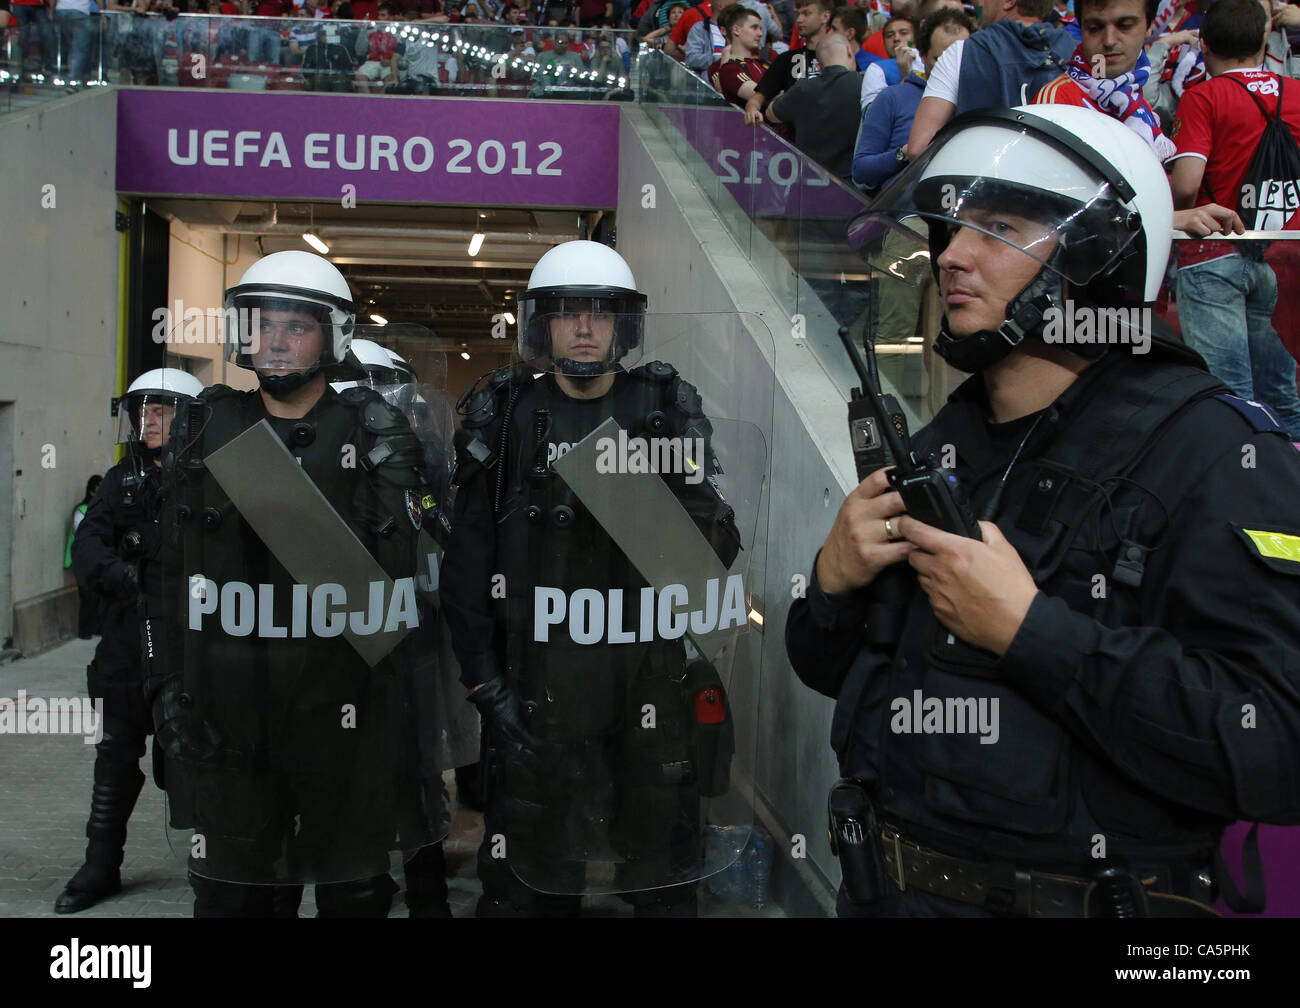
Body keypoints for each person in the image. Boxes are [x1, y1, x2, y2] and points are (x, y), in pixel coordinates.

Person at [787, 103, 1300, 917]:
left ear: (1100, 259)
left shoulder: (1215, 454)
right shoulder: (943, 442)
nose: (953, 255)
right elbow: (830, 670)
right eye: (953, 228)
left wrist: (1033, 633)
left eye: (998, 228)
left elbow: (1275, 747)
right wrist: (832, 584)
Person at [441, 240, 747, 917]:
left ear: (623, 326)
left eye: (600, 314)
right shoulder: (508, 415)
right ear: (541, 326)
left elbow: (712, 550)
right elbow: (467, 568)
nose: (584, 328)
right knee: (531, 882)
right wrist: (485, 682)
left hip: (648, 684)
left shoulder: (662, 408)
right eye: (568, 313)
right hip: (534, 687)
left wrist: (666, 488)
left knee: (663, 878)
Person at [149, 251, 441, 917]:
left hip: (343, 713)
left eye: (294, 327)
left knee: (355, 894)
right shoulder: (208, 427)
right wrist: (163, 687)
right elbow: (166, 576)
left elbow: (404, 578)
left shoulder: (369, 432)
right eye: (260, 325)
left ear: (332, 335)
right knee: (234, 897)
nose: (273, 341)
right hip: (230, 713)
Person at [56, 369, 204, 913]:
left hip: (190, 651)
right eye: (143, 410)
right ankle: (100, 866)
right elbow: (88, 546)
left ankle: (218, 870)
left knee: (198, 761)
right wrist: (123, 575)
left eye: (161, 411)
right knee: (114, 759)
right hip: (123, 649)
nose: (150, 421)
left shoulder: (211, 480)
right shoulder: (122, 480)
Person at [1168, 0, 1300, 436]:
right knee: (1282, 394)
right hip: (1285, 256)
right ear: (1264, 40)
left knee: (1228, 399)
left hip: (1213, 253)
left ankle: (1243, 495)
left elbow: (1187, 185)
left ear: (1203, 45)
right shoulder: (1296, 93)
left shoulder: (1203, 96)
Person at [905, 0, 1076, 159]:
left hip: (985, 185)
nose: (980, 3)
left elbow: (919, 148)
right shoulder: (1079, 53)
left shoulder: (961, 53)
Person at [1032, 0, 1176, 160]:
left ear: (1149, 26)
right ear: (1081, 28)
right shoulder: (1056, 101)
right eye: (1094, 28)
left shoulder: (1136, 101)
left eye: (1125, 25)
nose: (1109, 41)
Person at [852, 6, 972, 193]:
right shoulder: (892, 97)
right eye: (940, 59)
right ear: (923, 56)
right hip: (907, 214)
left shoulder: (982, 97)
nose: (952, 69)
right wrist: (904, 154)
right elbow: (861, 170)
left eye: (962, 60)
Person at [767, 31, 862, 179]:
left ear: (818, 67)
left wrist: (779, 98)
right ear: (849, 51)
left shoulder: (803, 88)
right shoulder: (865, 84)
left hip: (808, 185)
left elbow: (771, 114)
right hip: (852, 189)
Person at [744, 0, 834, 129]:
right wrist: (752, 109)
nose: (799, 20)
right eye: (798, 14)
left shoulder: (839, 58)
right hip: (793, 143)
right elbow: (757, 98)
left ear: (825, 16)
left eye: (806, 14)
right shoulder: (787, 59)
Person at [708, 3, 768, 107]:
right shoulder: (717, 68)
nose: (760, 34)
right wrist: (726, 56)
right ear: (724, 30)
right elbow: (721, 90)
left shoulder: (767, 55)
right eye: (754, 27)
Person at [66, 474, 103, 640]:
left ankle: (95, 626)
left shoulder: (100, 508)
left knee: (96, 594)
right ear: (92, 491)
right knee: (87, 595)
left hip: (97, 556)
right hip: (83, 557)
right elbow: (81, 532)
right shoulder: (81, 510)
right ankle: (85, 629)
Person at [860, 14, 921, 109]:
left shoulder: (930, 62)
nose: (896, 38)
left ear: (916, 39)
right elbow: (872, 114)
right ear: (884, 44)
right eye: (890, 35)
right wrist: (905, 76)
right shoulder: (877, 69)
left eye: (904, 33)